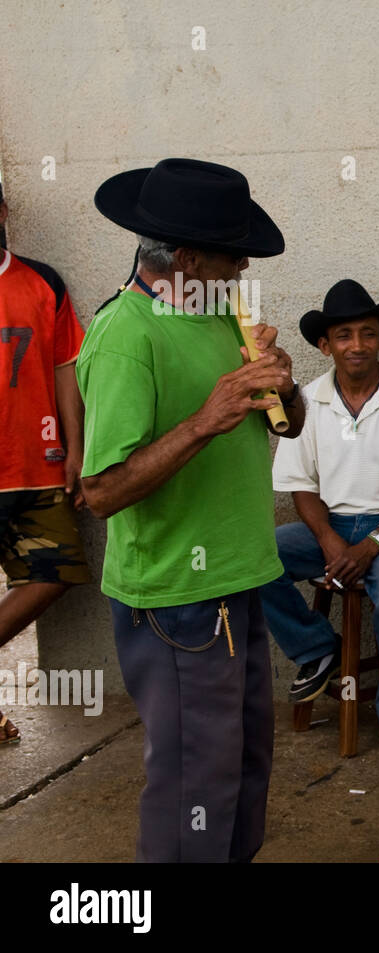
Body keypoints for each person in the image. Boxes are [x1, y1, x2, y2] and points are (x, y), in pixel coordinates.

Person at [78, 158, 304, 862]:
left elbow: (283, 425)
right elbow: (102, 490)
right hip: (178, 598)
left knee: (240, 773)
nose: (242, 266)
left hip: (237, 578)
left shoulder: (217, 315)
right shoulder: (125, 336)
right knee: (192, 794)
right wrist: (207, 417)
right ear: (185, 257)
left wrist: (282, 388)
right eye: (231, 255)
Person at [259, 279, 379, 768]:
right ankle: (318, 649)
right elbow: (300, 485)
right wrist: (328, 541)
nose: (358, 345)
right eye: (344, 335)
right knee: (253, 556)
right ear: (325, 346)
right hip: (328, 525)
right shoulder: (308, 399)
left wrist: (372, 544)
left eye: (368, 333)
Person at [0, 181, 90, 744]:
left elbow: (65, 367)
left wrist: (76, 447)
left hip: (35, 470)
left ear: (3, 212)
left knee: (57, 573)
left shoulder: (41, 281)